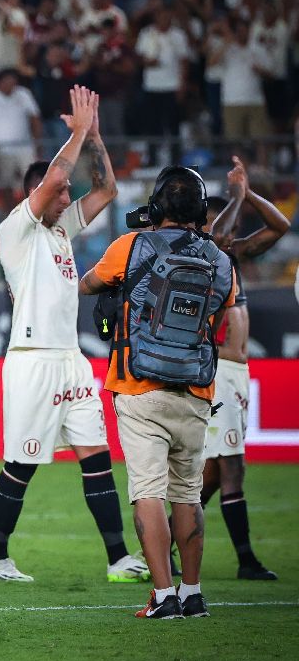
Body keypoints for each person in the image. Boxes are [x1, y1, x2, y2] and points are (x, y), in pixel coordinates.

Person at [0, 87, 148, 584]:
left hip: (71, 359)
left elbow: (107, 192)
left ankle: (118, 557)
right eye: (58, 193)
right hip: (32, 359)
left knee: (96, 457)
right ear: (36, 195)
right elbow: (57, 174)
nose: (67, 196)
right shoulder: (18, 229)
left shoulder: (58, 230)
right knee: (22, 464)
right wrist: (74, 133)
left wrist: (94, 138)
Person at [80, 167, 236, 620]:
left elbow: (87, 284)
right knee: (187, 495)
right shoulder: (221, 261)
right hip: (195, 389)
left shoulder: (130, 246)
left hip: (137, 386)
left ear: (157, 205)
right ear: (202, 212)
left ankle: (163, 597)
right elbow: (221, 310)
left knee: (147, 491)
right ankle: (193, 593)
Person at [199, 157, 290, 580]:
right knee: (231, 468)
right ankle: (247, 561)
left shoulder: (231, 255)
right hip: (218, 372)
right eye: (224, 225)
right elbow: (217, 236)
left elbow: (279, 228)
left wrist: (249, 193)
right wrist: (236, 197)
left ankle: (162, 535)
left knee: (214, 474)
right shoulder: (205, 260)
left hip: (235, 375)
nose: (231, 233)